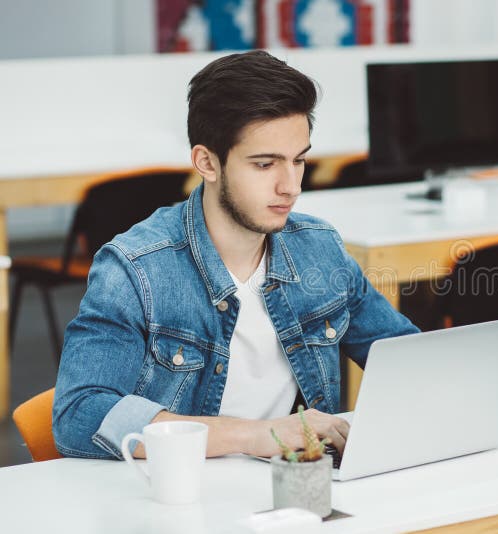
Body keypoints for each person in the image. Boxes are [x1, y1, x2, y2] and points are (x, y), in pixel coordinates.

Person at [52, 50, 419, 460]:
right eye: (265, 165)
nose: (290, 186)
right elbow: (78, 417)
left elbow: (410, 360)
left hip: (294, 497)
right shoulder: (137, 268)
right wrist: (254, 435)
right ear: (206, 162)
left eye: (299, 161)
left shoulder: (320, 249)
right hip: (182, 503)